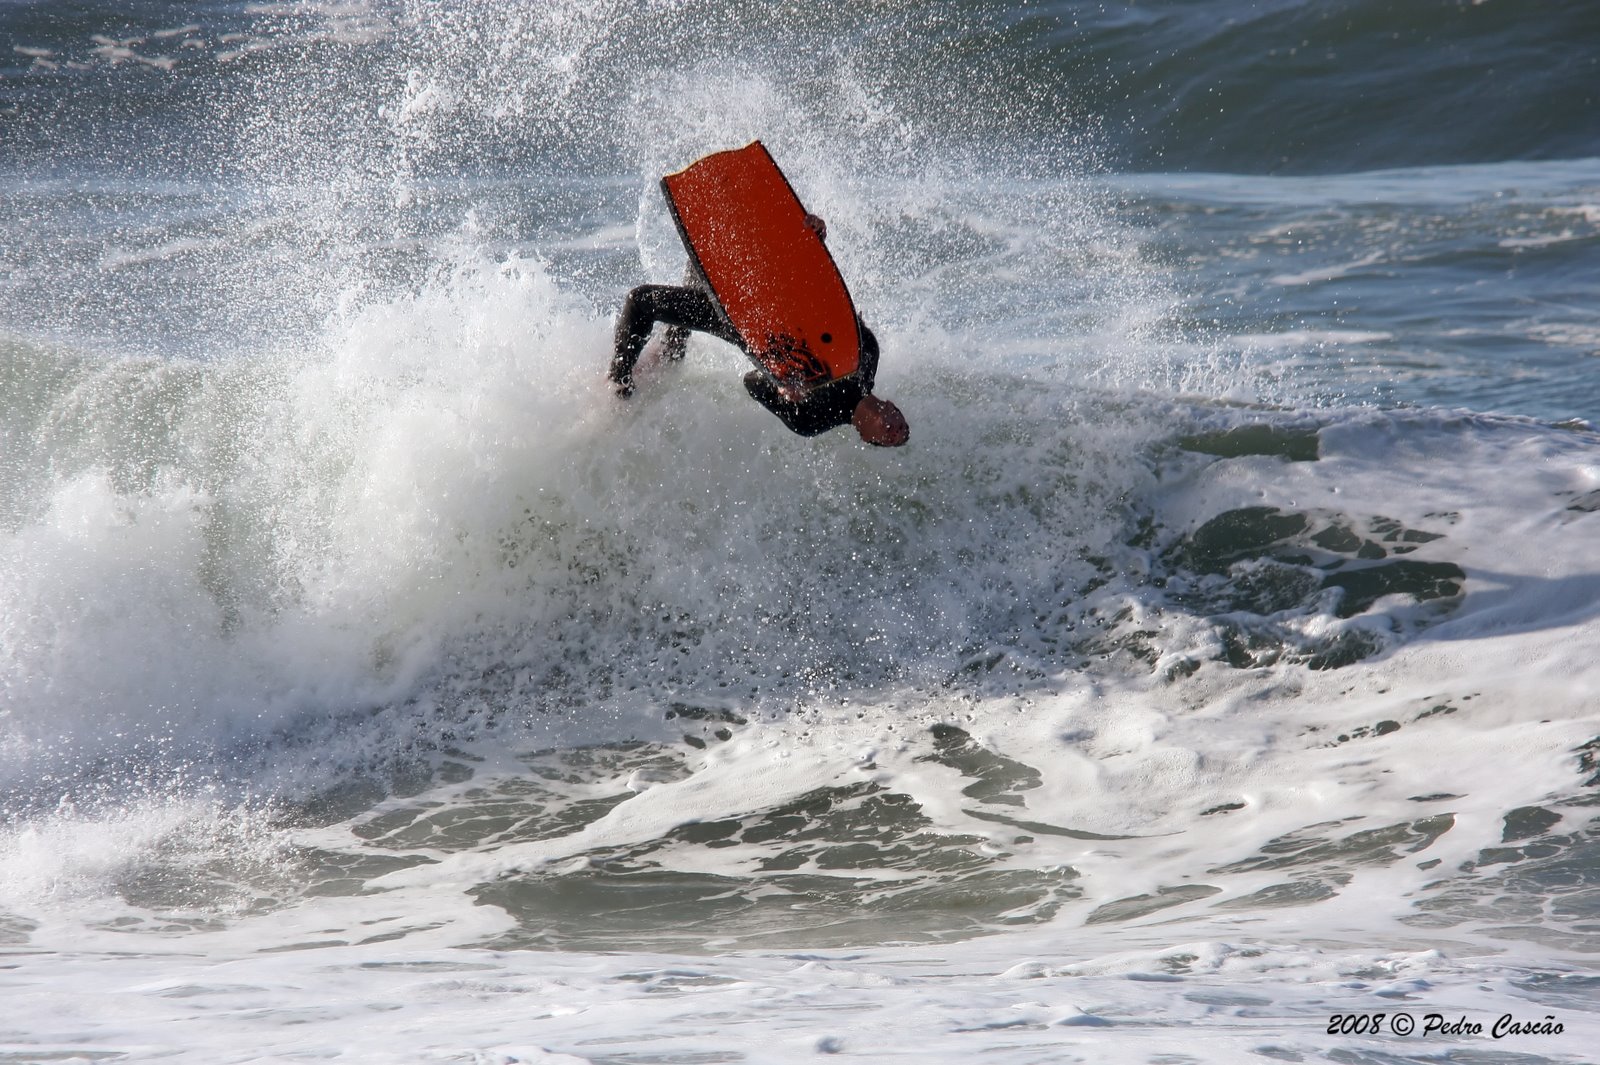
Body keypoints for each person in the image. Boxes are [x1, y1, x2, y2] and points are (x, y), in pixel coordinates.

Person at [608, 213, 910, 447]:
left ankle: (619, 386)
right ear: (894, 407)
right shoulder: (868, 356)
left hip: (745, 322)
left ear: (867, 438)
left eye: (891, 439)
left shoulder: (811, 419)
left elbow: (751, 381)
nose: (895, 431)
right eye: (902, 428)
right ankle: (671, 351)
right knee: (703, 259)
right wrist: (815, 243)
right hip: (778, 295)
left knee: (642, 301)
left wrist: (778, 384)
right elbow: (830, 304)